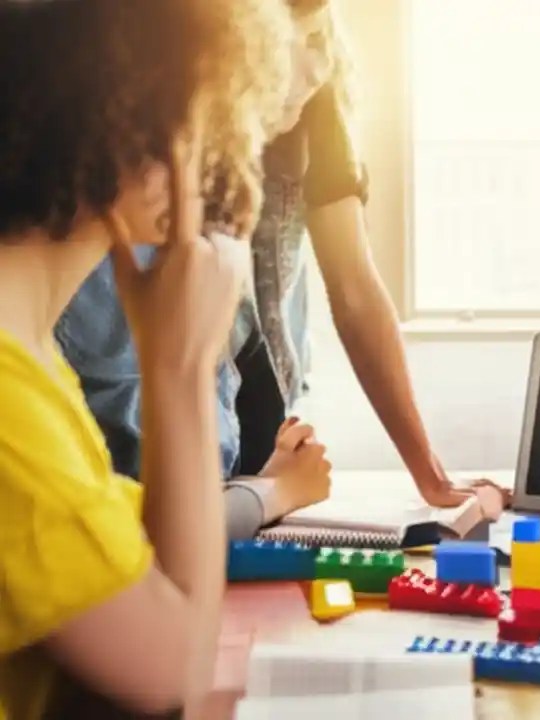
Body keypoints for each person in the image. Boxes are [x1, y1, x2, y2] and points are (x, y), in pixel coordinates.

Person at [57, 0, 502, 537]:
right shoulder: (109, 170)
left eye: (324, 41)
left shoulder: (312, 114)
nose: (316, 68)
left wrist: (429, 477)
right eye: (298, 41)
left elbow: (355, 290)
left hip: (232, 446)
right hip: (142, 470)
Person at [0, 0, 288, 716]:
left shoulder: (31, 354)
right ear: (140, 136)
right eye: (203, 126)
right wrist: (180, 367)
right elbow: (173, 678)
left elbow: (153, 559)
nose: (214, 162)